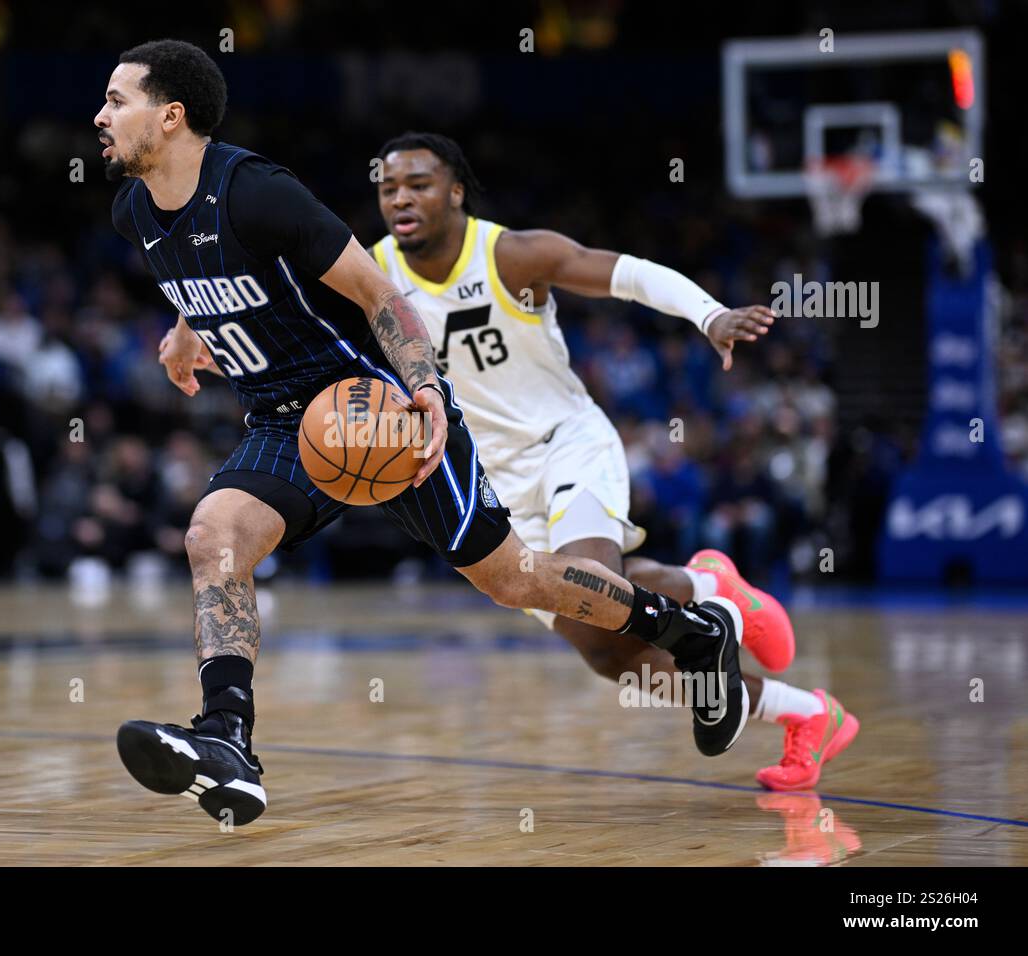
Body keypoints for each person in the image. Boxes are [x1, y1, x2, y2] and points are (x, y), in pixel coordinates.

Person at [98, 40, 748, 827]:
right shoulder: (134, 209)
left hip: (373, 402)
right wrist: (184, 330)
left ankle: (688, 630)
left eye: (116, 100)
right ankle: (227, 740)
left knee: (514, 580)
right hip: (281, 418)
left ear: (170, 117)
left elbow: (379, 294)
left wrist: (426, 388)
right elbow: (205, 273)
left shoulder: (258, 190)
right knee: (214, 534)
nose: (100, 116)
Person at [368, 132, 858, 791]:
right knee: (606, 649)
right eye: (389, 188)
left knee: (592, 580)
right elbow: (291, 302)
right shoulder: (370, 273)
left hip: (567, 442)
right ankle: (804, 708)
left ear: (455, 191)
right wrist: (198, 331)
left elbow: (628, 275)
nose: (401, 198)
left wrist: (709, 315)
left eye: (418, 184)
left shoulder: (512, 253)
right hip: (490, 483)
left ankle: (715, 601)